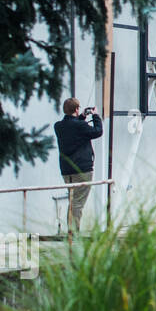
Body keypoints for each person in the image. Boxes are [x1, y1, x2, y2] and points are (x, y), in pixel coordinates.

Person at [54, 98, 103, 237]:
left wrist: (81, 117)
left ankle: (71, 230)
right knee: (78, 203)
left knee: (73, 200)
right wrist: (95, 116)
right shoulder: (80, 127)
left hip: (66, 171)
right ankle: (73, 233)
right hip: (82, 170)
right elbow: (98, 131)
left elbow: (73, 128)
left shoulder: (58, 126)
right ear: (76, 109)